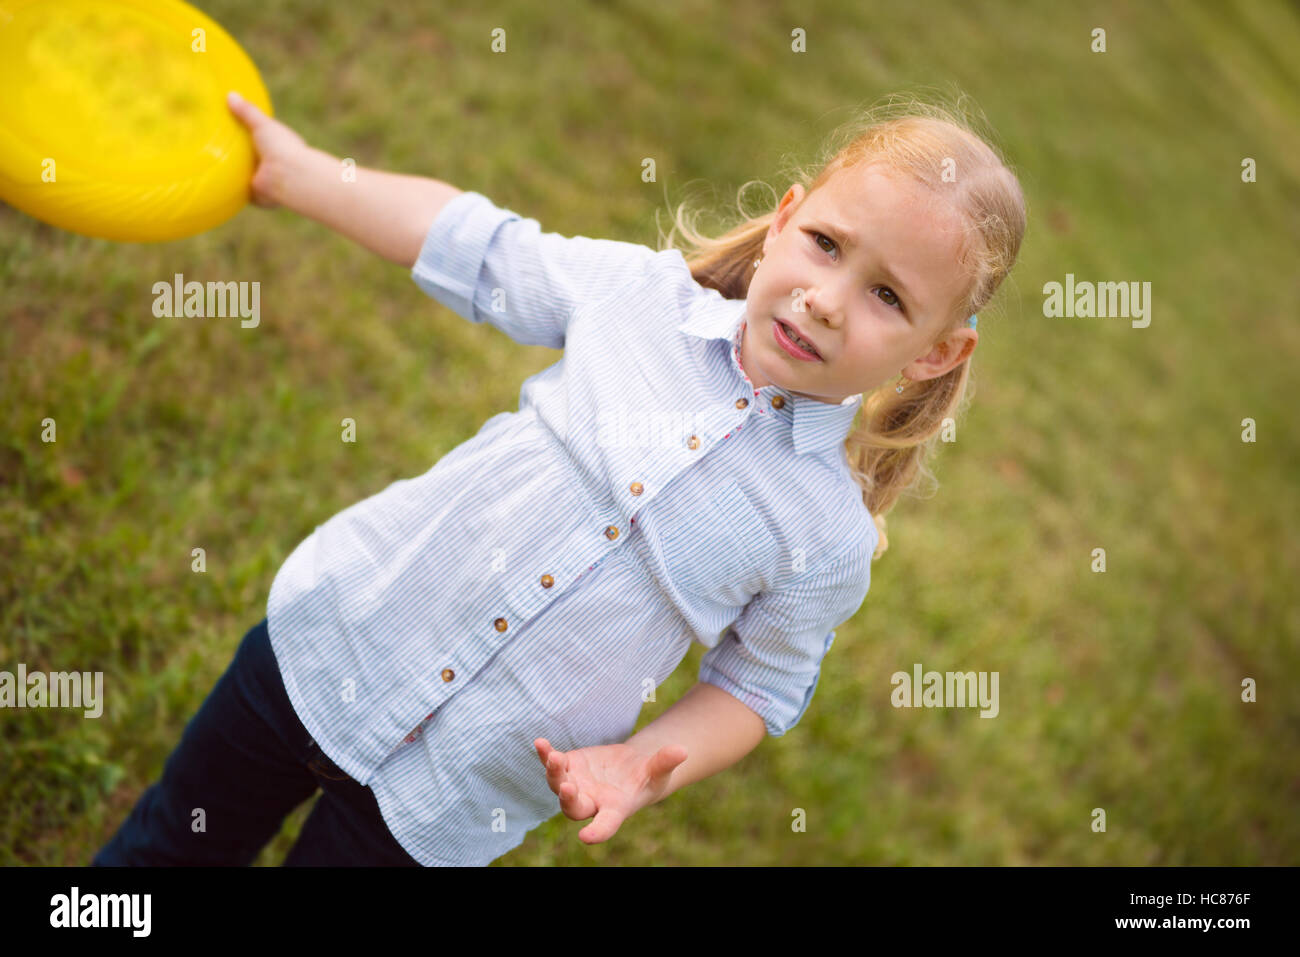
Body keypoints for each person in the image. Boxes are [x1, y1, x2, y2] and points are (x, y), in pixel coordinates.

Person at [92, 91, 1025, 866]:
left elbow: (759, 687)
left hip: (455, 797)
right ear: (785, 218)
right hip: (334, 646)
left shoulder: (825, 536)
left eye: (887, 296)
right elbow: (474, 245)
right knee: (171, 847)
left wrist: (642, 762)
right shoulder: (639, 301)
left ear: (937, 353)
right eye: (826, 243)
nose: (827, 298)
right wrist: (300, 174)